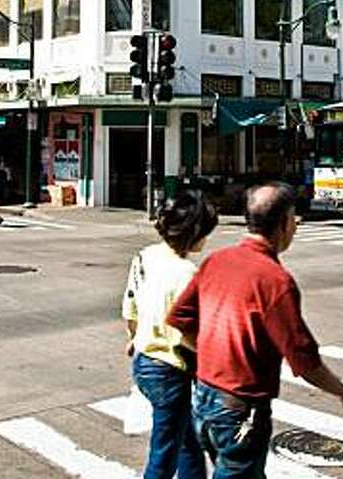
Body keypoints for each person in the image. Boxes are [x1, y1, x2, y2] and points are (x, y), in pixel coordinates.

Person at [167, 182, 343, 478]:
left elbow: (181, 321)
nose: (296, 225)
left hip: (204, 400)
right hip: (239, 411)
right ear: (283, 223)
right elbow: (305, 361)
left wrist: (214, 355)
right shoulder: (275, 281)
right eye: (294, 218)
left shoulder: (216, 261)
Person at [123, 194, 219, 479]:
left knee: (186, 438)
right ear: (194, 232)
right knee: (164, 455)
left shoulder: (144, 256)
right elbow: (186, 332)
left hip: (143, 360)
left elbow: (131, 307)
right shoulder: (188, 273)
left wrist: (135, 336)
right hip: (169, 370)